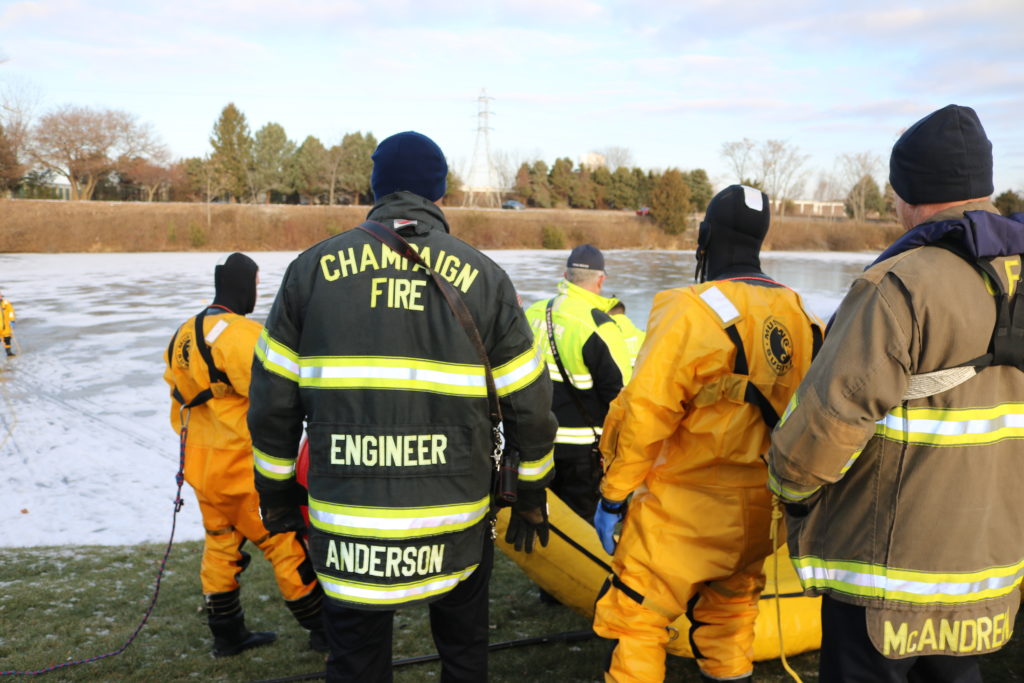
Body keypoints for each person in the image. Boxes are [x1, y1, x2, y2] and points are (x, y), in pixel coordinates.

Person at [247, 131, 558, 683]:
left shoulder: (310, 271)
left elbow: (272, 406)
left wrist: (274, 496)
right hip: (456, 516)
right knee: (464, 657)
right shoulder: (485, 278)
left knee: (355, 664)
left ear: (376, 188)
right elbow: (529, 409)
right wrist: (530, 491)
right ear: (440, 193)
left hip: (348, 522)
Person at [768, 105, 1024, 682]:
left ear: (910, 195)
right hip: (988, 570)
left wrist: (789, 491)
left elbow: (827, 424)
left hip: (885, 575)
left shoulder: (898, 285)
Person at [591, 185, 824, 683]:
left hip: (685, 512)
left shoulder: (687, 309)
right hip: (761, 513)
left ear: (705, 235)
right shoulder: (803, 317)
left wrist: (613, 495)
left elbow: (644, 411)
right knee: (730, 617)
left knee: (635, 619)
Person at [163, 253, 325, 658]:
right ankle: (325, 630)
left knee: (221, 544)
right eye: (255, 283)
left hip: (200, 466)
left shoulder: (185, 331)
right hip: (239, 467)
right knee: (283, 541)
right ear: (245, 285)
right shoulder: (241, 334)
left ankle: (227, 634)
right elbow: (273, 398)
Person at [524, 245, 634, 524]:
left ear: (565, 275)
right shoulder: (600, 326)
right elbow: (622, 397)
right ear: (601, 281)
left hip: (534, 446)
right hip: (581, 455)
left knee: (545, 526)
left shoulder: (532, 314)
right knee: (583, 530)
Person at [608, 300, 645, 368]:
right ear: (623, 312)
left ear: (607, 313)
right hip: (639, 373)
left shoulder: (604, 334)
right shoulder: (643, 335)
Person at [0, 291, 16, 357]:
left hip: (6, 325)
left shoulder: (6, 302)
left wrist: (12, 320)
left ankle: (9, 352)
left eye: (0, 295)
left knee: (7, 339)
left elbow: (11, 311)